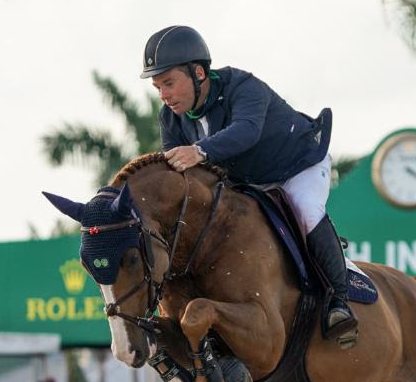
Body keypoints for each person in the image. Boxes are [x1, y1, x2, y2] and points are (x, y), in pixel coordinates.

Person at [141, 25, 358, 348]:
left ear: (198, 72)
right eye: (159, 87)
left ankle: (339, 302)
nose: (165, 95)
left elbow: (246, 132)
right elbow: (178, 173)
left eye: (169, 83)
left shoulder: (243, 86)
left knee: (305, 210)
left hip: (298, 166)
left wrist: (199, 151)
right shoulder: (170, 117)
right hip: (249, 182)